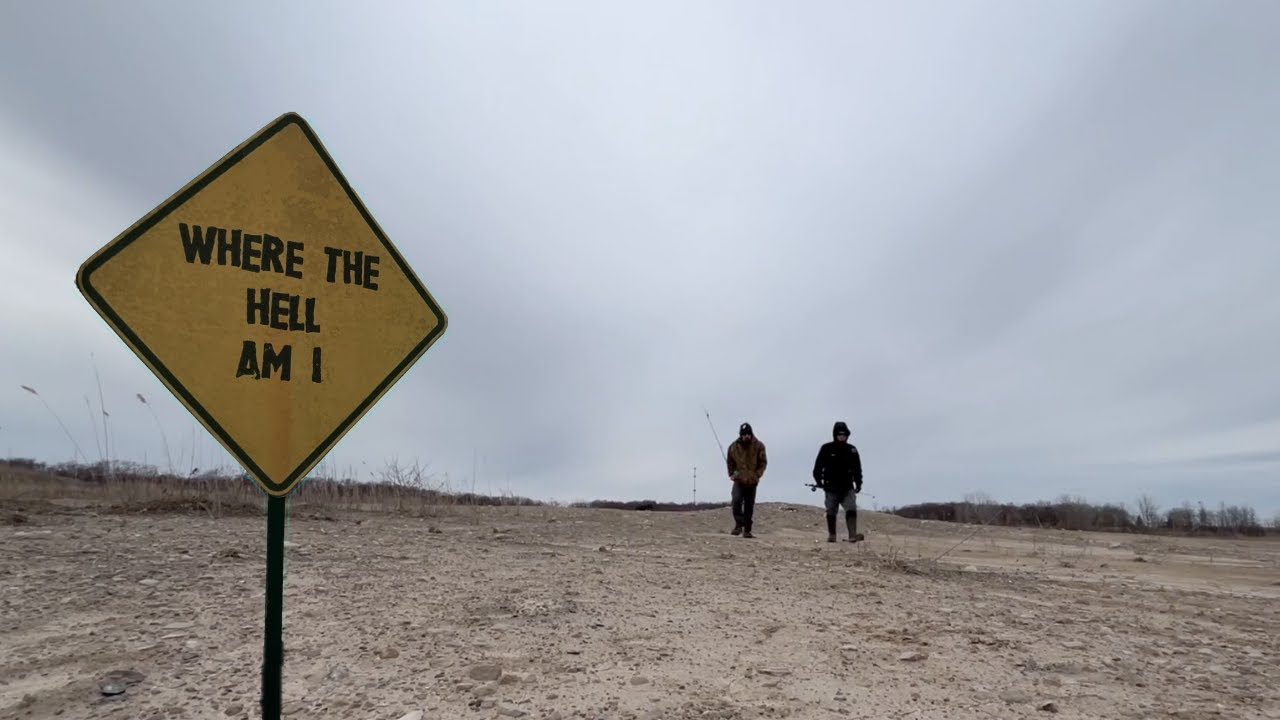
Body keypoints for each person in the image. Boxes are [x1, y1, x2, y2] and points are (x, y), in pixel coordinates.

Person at [811, 421, 864, 543]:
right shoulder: (826, 448)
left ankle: (852, 534)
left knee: (851, 508)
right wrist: (819, 481)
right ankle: (832, 535)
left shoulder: (852, 450)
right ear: (835, 435)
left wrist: (859, 483)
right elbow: (817, 468)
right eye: (839, 434)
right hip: (831, 487)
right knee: (831, 510)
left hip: (847, 487)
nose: (841, 436)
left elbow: (857, 469)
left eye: (844, 434)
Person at [726, 422, 767, 538]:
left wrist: (757, 475)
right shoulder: (733, 447)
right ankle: (739, 525)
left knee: (749, 506)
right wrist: (731, 473)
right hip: (739, 480)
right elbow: (730, 461)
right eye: (744, 435)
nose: (747, 436)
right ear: (741, 435)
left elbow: (763, 463)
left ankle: (747, 530)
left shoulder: (759, 446)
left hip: (752, 481)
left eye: (748, 434)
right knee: (736, 501)